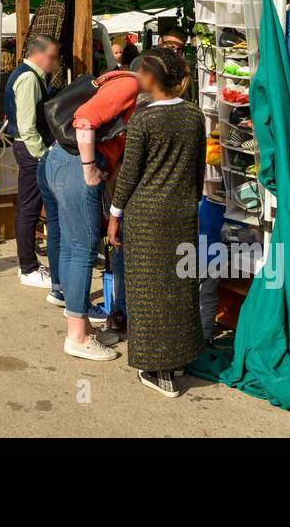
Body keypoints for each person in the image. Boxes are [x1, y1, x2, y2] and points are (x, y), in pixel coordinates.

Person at [109, 48, 207, 397]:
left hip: (146, 216)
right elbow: (198, 171)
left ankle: (155, 368)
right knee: (179, 289)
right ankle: (178, 356)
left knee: (147, 292)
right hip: (181, 213)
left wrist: (114, 214)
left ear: (150, 76)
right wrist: (190, 205)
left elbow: (129, 173)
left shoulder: (143, 119)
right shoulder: (194, 115)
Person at [39, 61, 142, 361]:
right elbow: (84, 120)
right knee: (83, 251)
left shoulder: (112, 80)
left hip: (58, 159)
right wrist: (88, 170)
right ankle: (77, 336)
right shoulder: (130, 84)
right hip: (76, 164)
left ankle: (78, 323)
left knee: (74, 249)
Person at [3, 34, 61, 287]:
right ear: (43, 54)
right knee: (28, 209)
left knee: (28, 208)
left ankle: (29, 265)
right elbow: (27, 126)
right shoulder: (28, 77)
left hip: (27, 149)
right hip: (29, 150)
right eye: (54, 57)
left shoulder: (27, 75)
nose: (55, 63)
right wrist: (42, 154)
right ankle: (27, 268)